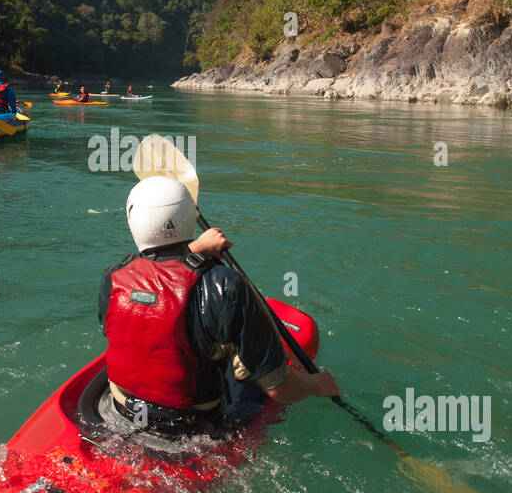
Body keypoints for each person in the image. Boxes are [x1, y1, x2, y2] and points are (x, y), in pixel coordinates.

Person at [98, 176, 339, 437]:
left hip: (118, 410)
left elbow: (159, 284)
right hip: (192, 430)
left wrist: (196, 250)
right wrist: (317, 385)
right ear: (188, 216)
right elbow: (279, 390)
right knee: (254, 375)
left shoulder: (114, 276)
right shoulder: (226, 286)